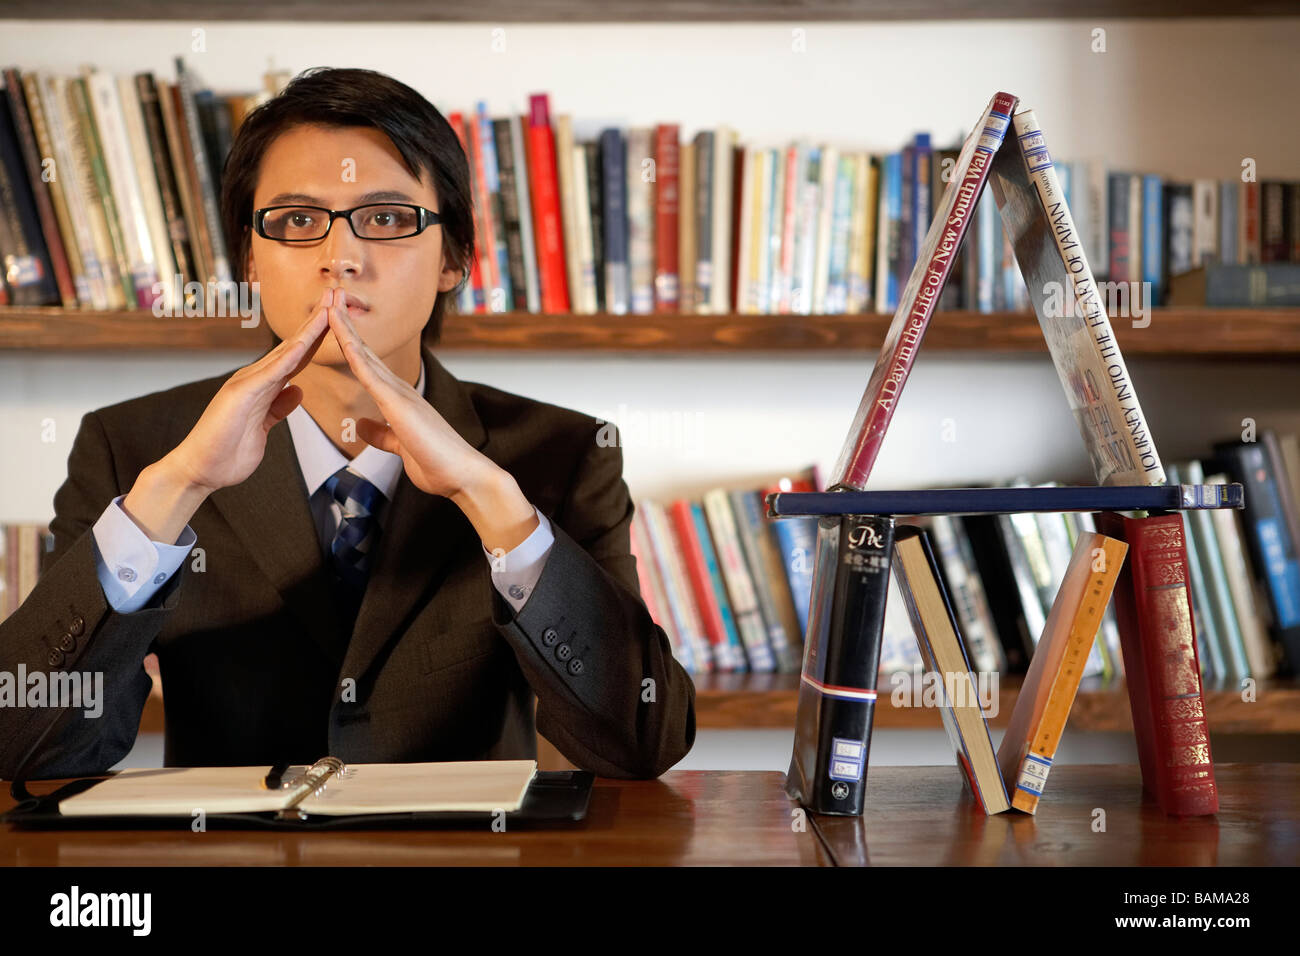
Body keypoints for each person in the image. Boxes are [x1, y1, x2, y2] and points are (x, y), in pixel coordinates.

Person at [0, 67, 695, 781]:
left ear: (455, 256)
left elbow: (642, 740)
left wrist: (493, 505)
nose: (340, 258)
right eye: (298, 222)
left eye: (387, 218)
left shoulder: (561, 454)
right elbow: (24, 749)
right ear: (250, 259)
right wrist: (175, 490)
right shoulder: (137, 449)